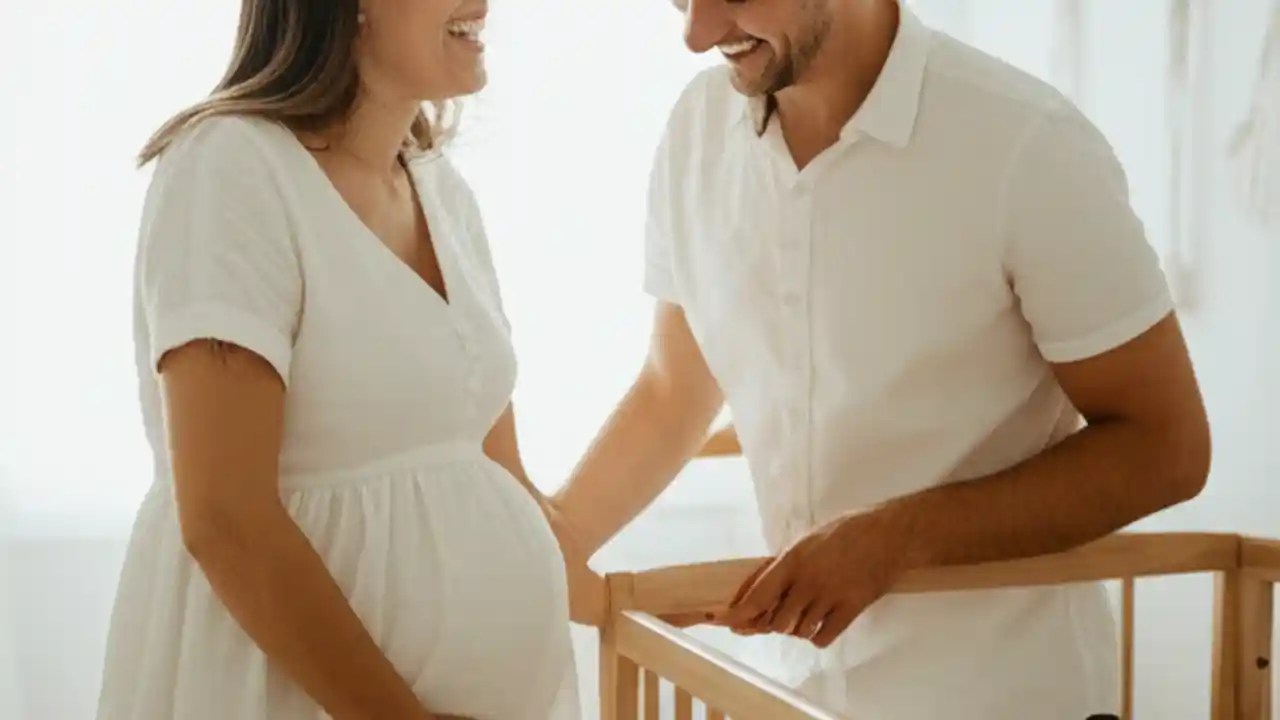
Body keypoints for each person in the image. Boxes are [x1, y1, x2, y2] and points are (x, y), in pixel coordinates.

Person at [550, 0, 1211, 718]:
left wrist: (895, 538)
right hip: (795, 693)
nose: (696, 32)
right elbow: (673, 391)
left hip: (1006, 696)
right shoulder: (697, 131)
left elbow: (1166, 447)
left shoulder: (1026, 144)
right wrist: (544, 551)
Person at [96, 2, 601, 719]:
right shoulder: (232, 167)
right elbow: (224, 516)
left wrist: (634, 600)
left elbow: (499, 475)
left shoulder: (442, 192)